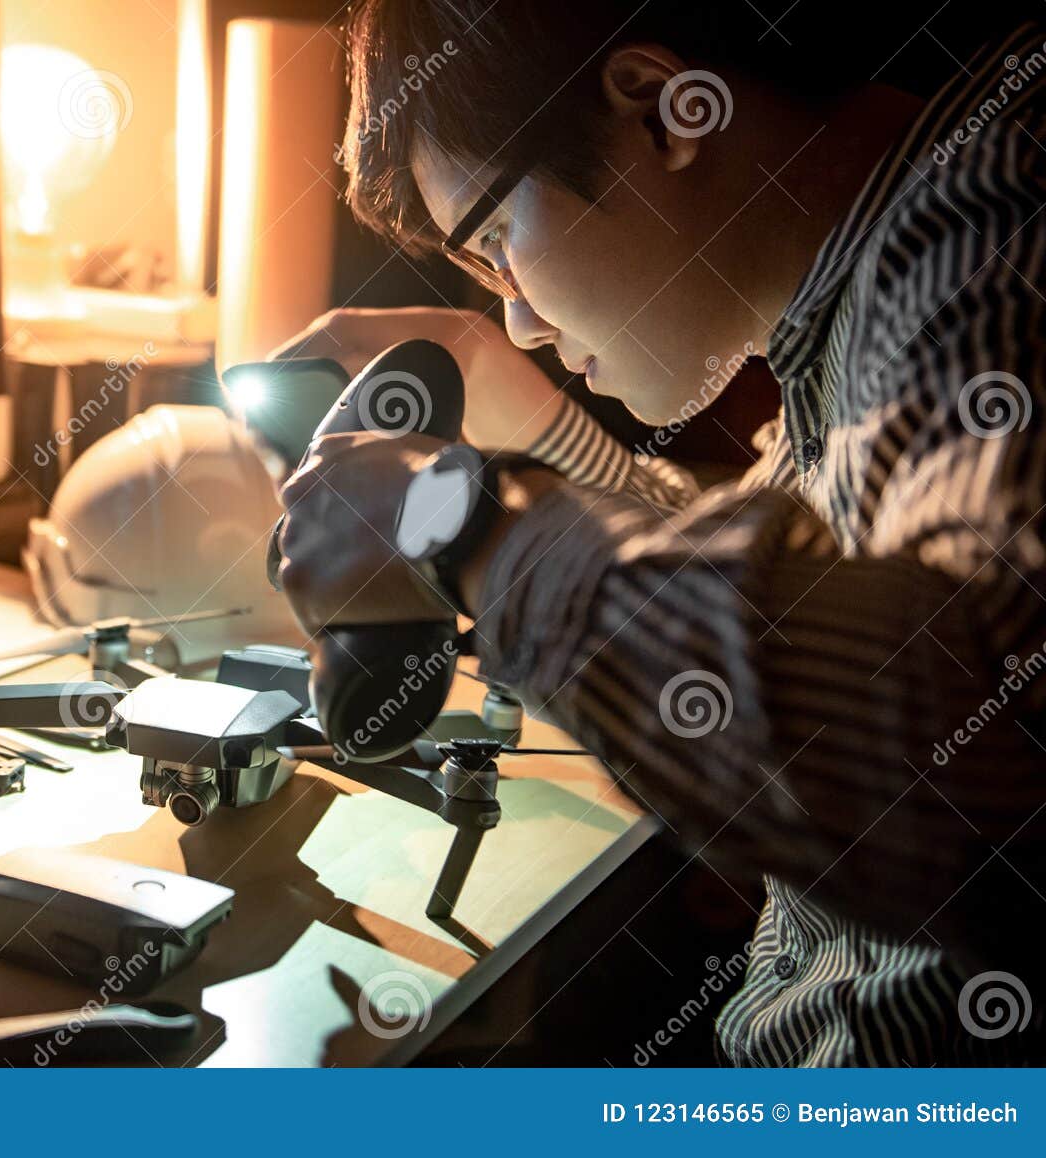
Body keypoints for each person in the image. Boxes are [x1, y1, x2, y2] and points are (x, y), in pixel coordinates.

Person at [272, 0, 1046, 1065]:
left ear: (660, 113)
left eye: (498, 240)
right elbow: (823, 580)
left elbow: (981, 765)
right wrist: (536, 427)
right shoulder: (870, 289)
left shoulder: (999, 231)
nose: (521, 323)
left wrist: (463, 523)